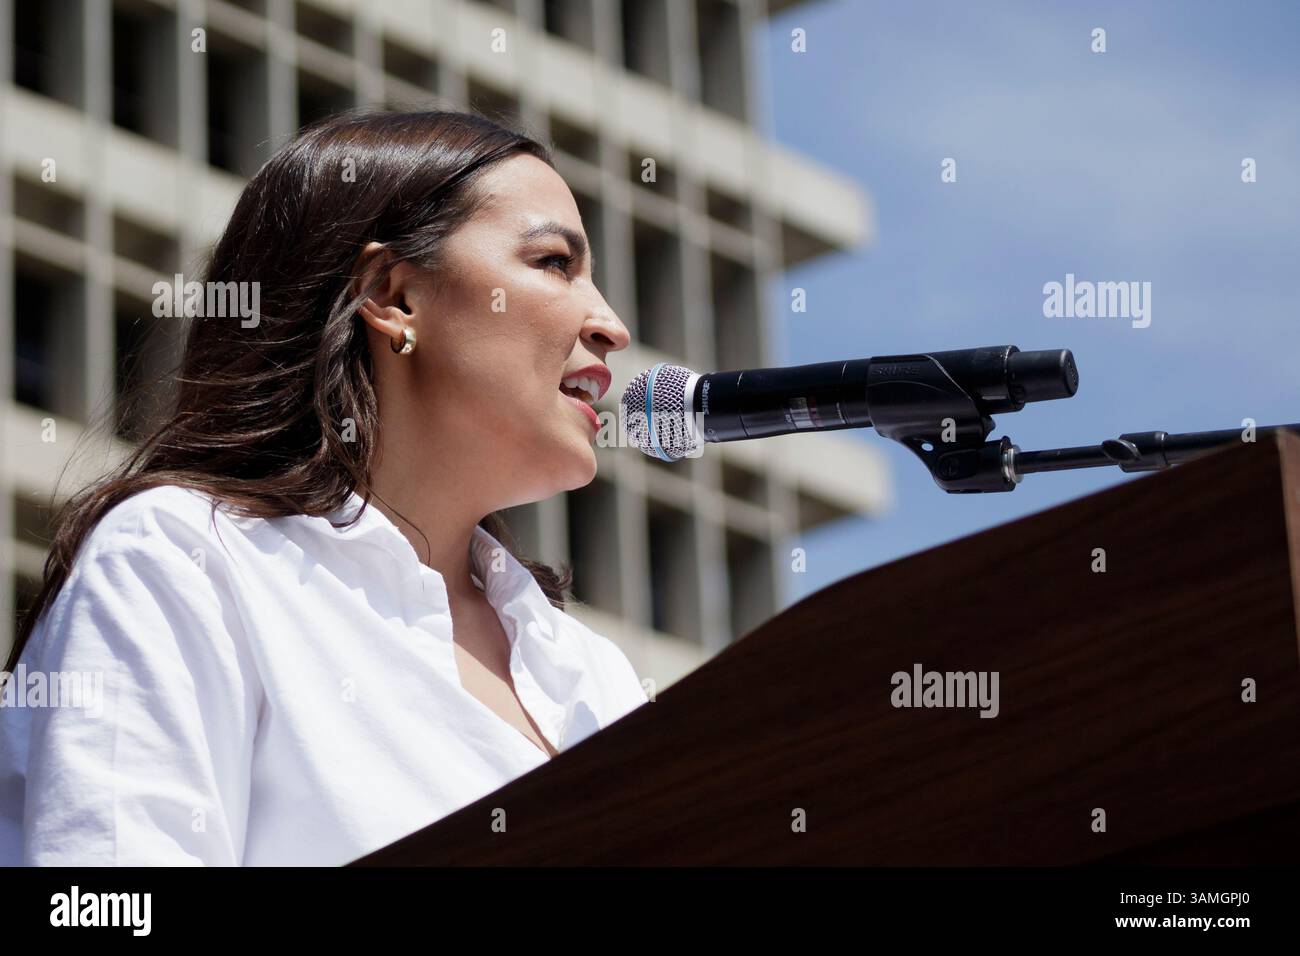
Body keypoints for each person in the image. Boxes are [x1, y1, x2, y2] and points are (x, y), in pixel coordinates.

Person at [0, 109, 648, 866]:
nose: (610, 325)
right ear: (393, 295)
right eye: (554, 263)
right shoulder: (182, 560)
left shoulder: (596, 674)